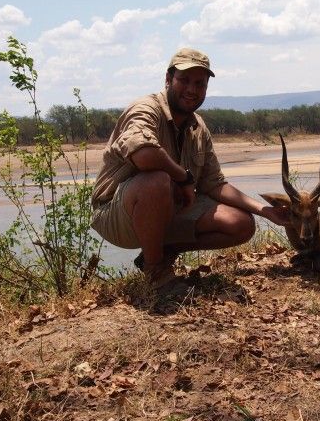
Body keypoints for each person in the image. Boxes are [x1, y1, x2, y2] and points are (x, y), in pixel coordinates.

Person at [91, 47, 290, 286]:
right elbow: (143, 155)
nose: (192, 90)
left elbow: (214, 184)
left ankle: (159, 253)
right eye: (184, 80)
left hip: (169, 208)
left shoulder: (198, 127)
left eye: (200, 83)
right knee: (156, 181)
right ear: (168, 79)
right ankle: (157, 275)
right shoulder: (145, 109)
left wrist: (264, 210)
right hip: (117, 214)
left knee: (241, 224)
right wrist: (183, 178)